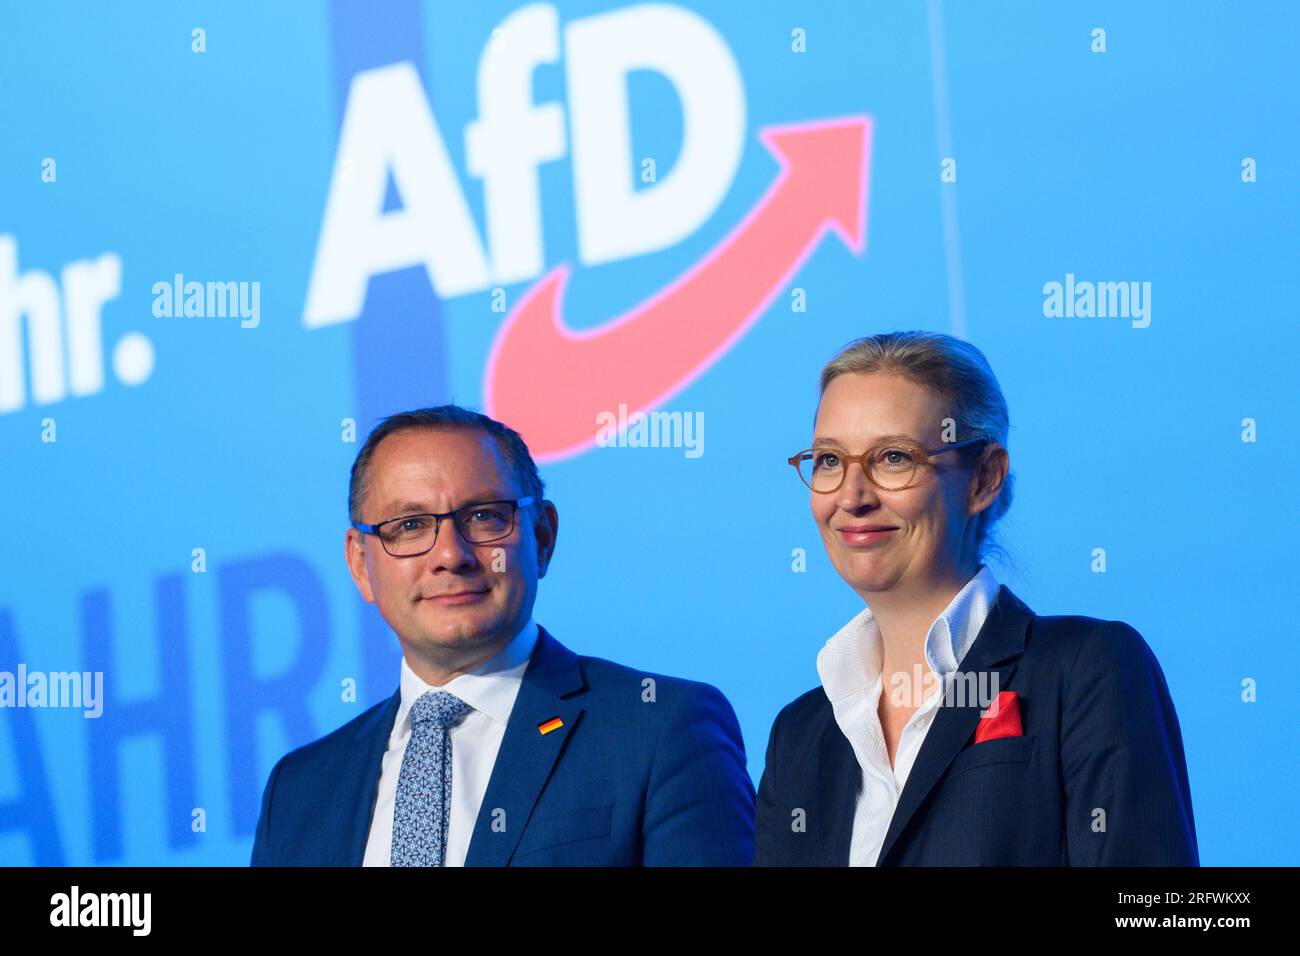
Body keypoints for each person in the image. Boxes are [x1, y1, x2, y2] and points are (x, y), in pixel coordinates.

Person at [754, 331, 1198, 866]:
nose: (852, 496)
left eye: (893, 457)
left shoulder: (1085, 668)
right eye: (829, 460)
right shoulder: (800, 736)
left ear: (984, 478)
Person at [251, 405, 754, 866]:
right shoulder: (299, 789)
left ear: (542, 537)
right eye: (408, 525)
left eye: (484, 516)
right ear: (361, 565)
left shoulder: (661, 730)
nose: (451, 554)